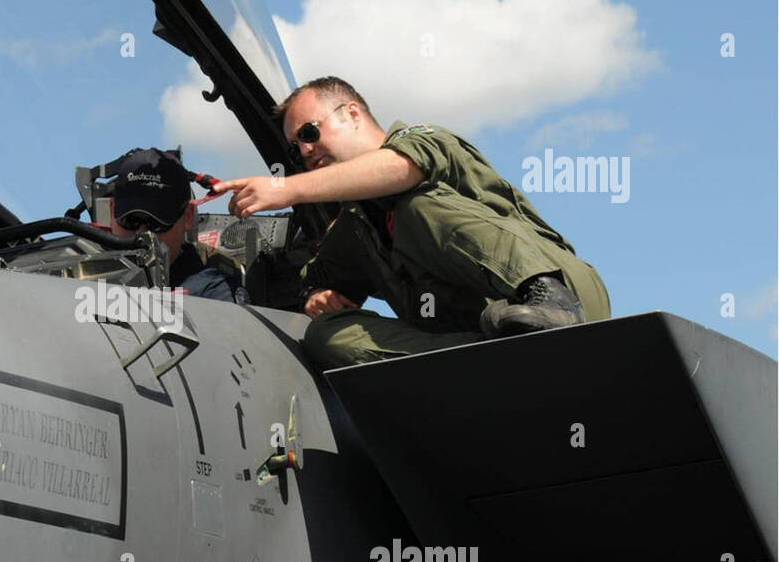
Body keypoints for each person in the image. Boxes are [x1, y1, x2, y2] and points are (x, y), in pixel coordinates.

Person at [212, 77, 610, 366]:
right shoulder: (355, 224)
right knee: (325, 335)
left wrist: (286, 189)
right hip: (492, 334)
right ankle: (468, 360)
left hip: (568, 296)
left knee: (416, 209)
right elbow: (317, 278)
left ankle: (547, 301)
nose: (305, 149)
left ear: (352, 114)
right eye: (296, 147)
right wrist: (314, 295)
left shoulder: (425, 140)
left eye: (310, 132)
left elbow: (400, 169)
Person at [103, 147, 248, 303]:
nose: (141, 233)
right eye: (130, 221)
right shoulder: (82, 279)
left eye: (156, 223)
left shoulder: (212, 293)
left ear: (187, 217)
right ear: (112, 211)